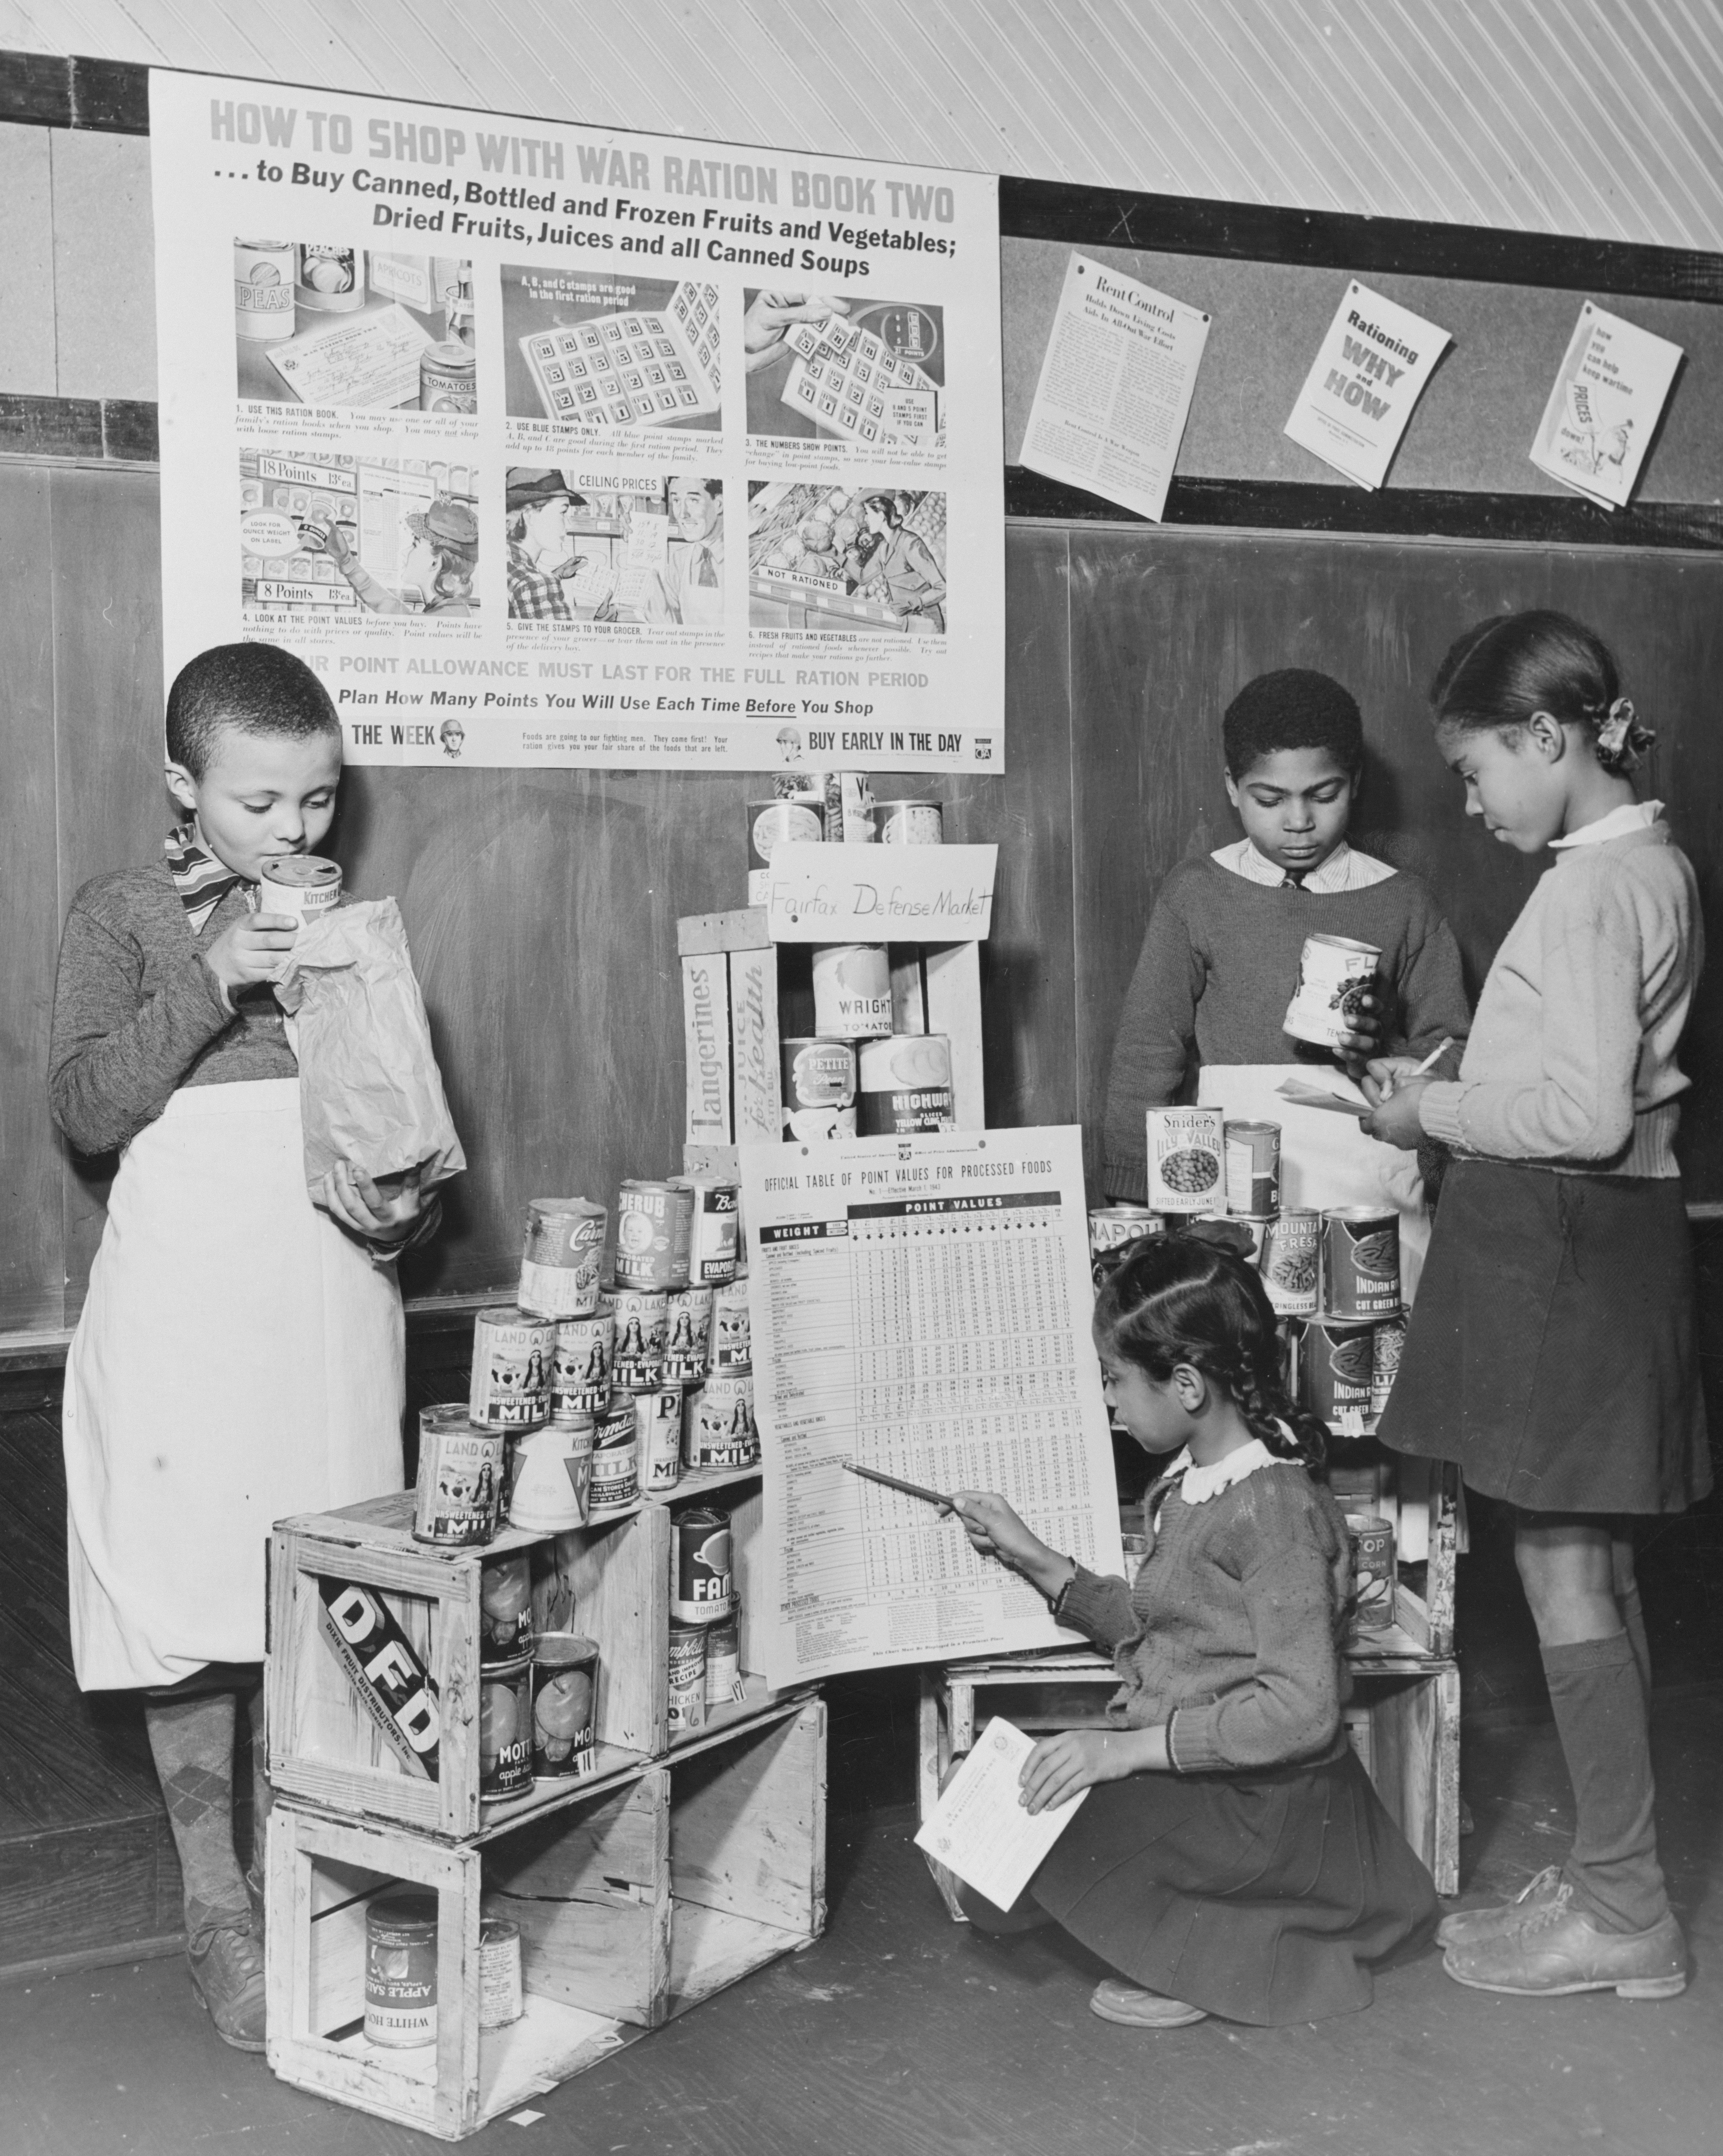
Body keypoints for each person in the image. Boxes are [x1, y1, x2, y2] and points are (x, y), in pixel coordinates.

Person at [49, 644, 436, 2050]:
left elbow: (388, 1116)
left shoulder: (353, 915)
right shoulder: (122, 914)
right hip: (182, 1301)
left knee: (324, 1589)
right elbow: (88, 1108)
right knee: (187, 1596)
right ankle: (216, 1901)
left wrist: (403, 1187)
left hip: (327, 1288)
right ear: (184, 784)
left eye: (318, 803)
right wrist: (211, 975)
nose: (295, 832)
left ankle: (307, 1871)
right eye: (262, 801)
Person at [1364, 610, 1705, 2003]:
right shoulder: (1650, 863)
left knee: (1559, 1572)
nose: (1465, 799)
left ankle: (1624, 1916)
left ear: (1547, 739)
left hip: (1556, 1245)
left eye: (1472, 769)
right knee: (1593, 1570)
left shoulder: (1578, 891)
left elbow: (1573, 1113)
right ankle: (1617, 1887)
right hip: (1601, 1244)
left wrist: (1422, 1101)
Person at [945, 1230, 1437, 2027]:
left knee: (1025, 1847)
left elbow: (1303, 1707)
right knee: (998, 1836)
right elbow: (1164, 1628)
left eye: (1115, 1379)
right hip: (1208, 1779)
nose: (1107, 1398)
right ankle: (1175, 1917)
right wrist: (1035, 1558)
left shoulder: (1271, 1505)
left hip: (1261, 1803)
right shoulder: (1194, 1481)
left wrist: (1128, 1748)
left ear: (1185, 1384)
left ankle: (1218, 1946)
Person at [1101, 669, 1470, 1292]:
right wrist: (1137, 1206)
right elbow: (1146, 1051)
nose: (1298, 821)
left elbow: (1453, 1046)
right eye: (1269, 800)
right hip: (1234, 1185)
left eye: (1323, 795)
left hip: (1373, 1175)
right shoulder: (1197, 893)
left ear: (1354, 783)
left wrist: (1401, 1074)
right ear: (1232, 790)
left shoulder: (1405, 902)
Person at [306, 497, 477, 616]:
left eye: (416, 544)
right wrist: (346, 559)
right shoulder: (450, 611)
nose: (405, 552)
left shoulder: (450, 616)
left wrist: (346, 560)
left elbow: (396, 615)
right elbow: (398, 613)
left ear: (435, 562)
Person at [505, 469, 612, 620]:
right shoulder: (538, 585)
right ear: (531, 517)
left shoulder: (507, 561)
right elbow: (563, 644)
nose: (568, 525)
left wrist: (557, 575)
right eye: (562, 512)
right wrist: (602, 624)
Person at [854, 493, 945, 632]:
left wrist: (912, 604)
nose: (866, 520)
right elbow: (862, 577)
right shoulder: (883, 548)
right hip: (909, 624)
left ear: (881, 516)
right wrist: (835, 553)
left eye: (868, 514)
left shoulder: (910, 543)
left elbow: (942, 587)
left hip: (928, 624)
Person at [643, 475, 724, 627]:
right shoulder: (679, 560)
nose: (682, 514)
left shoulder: (744, 560)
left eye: (694, 501)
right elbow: (667, 617)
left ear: (719, 505)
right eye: (677, 501)